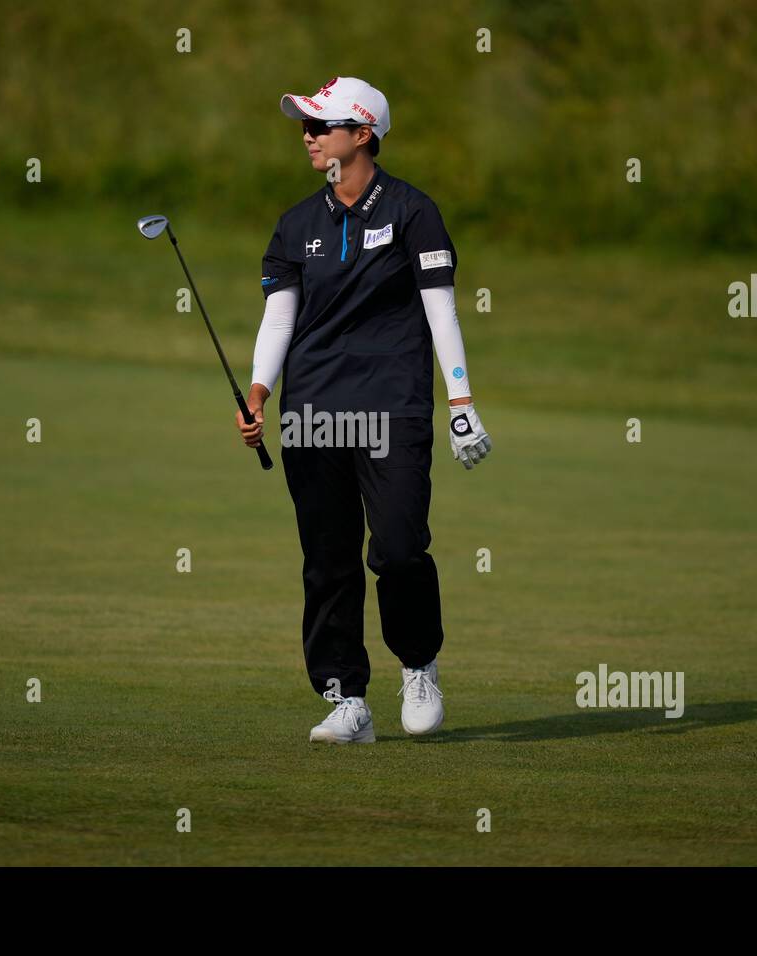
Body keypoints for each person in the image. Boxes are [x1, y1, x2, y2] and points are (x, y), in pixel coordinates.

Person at [238, 76, 492, 744]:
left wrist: (460, 399)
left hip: (394, 410)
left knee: (401, 550)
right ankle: (346, 696)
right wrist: (259, 393)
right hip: (314, 413)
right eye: (305, 126)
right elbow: (278, 321)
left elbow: (441, 310)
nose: (308, 136)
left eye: (320, 125)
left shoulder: (413, 212)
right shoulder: (296, 225)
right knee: (328, 562)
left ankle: (417, 663)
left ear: (362, 133)